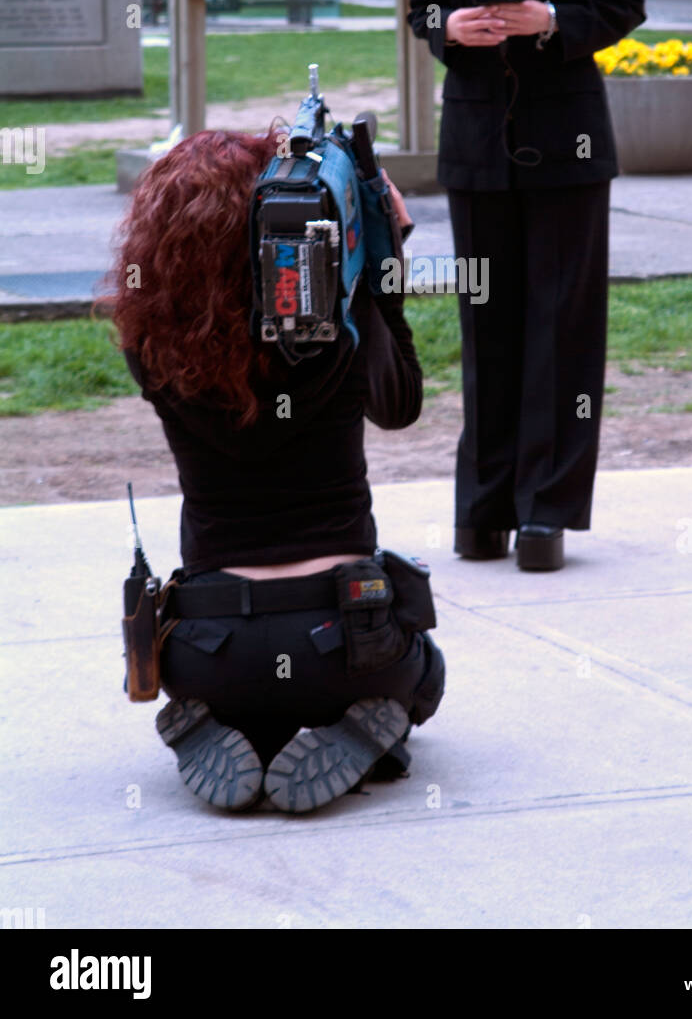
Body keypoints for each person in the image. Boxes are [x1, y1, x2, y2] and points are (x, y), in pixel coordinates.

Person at [100, 126, 445, 812]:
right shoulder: (339, 332)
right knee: (425, 676)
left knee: (243, 681)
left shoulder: (150, 343)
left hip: (205, 650)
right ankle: (366, 721)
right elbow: (398, 407)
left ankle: (225, 720)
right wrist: (383, 261)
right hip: (348, 638)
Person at [407, 0, 647, 572]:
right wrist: (451, 29)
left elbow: (622, 3)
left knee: (562, 330)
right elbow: (422, 13)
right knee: (487, 327)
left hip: (569, 143)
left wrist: (553, 22)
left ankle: (545, 513)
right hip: (477, 143)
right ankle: (482, 511)